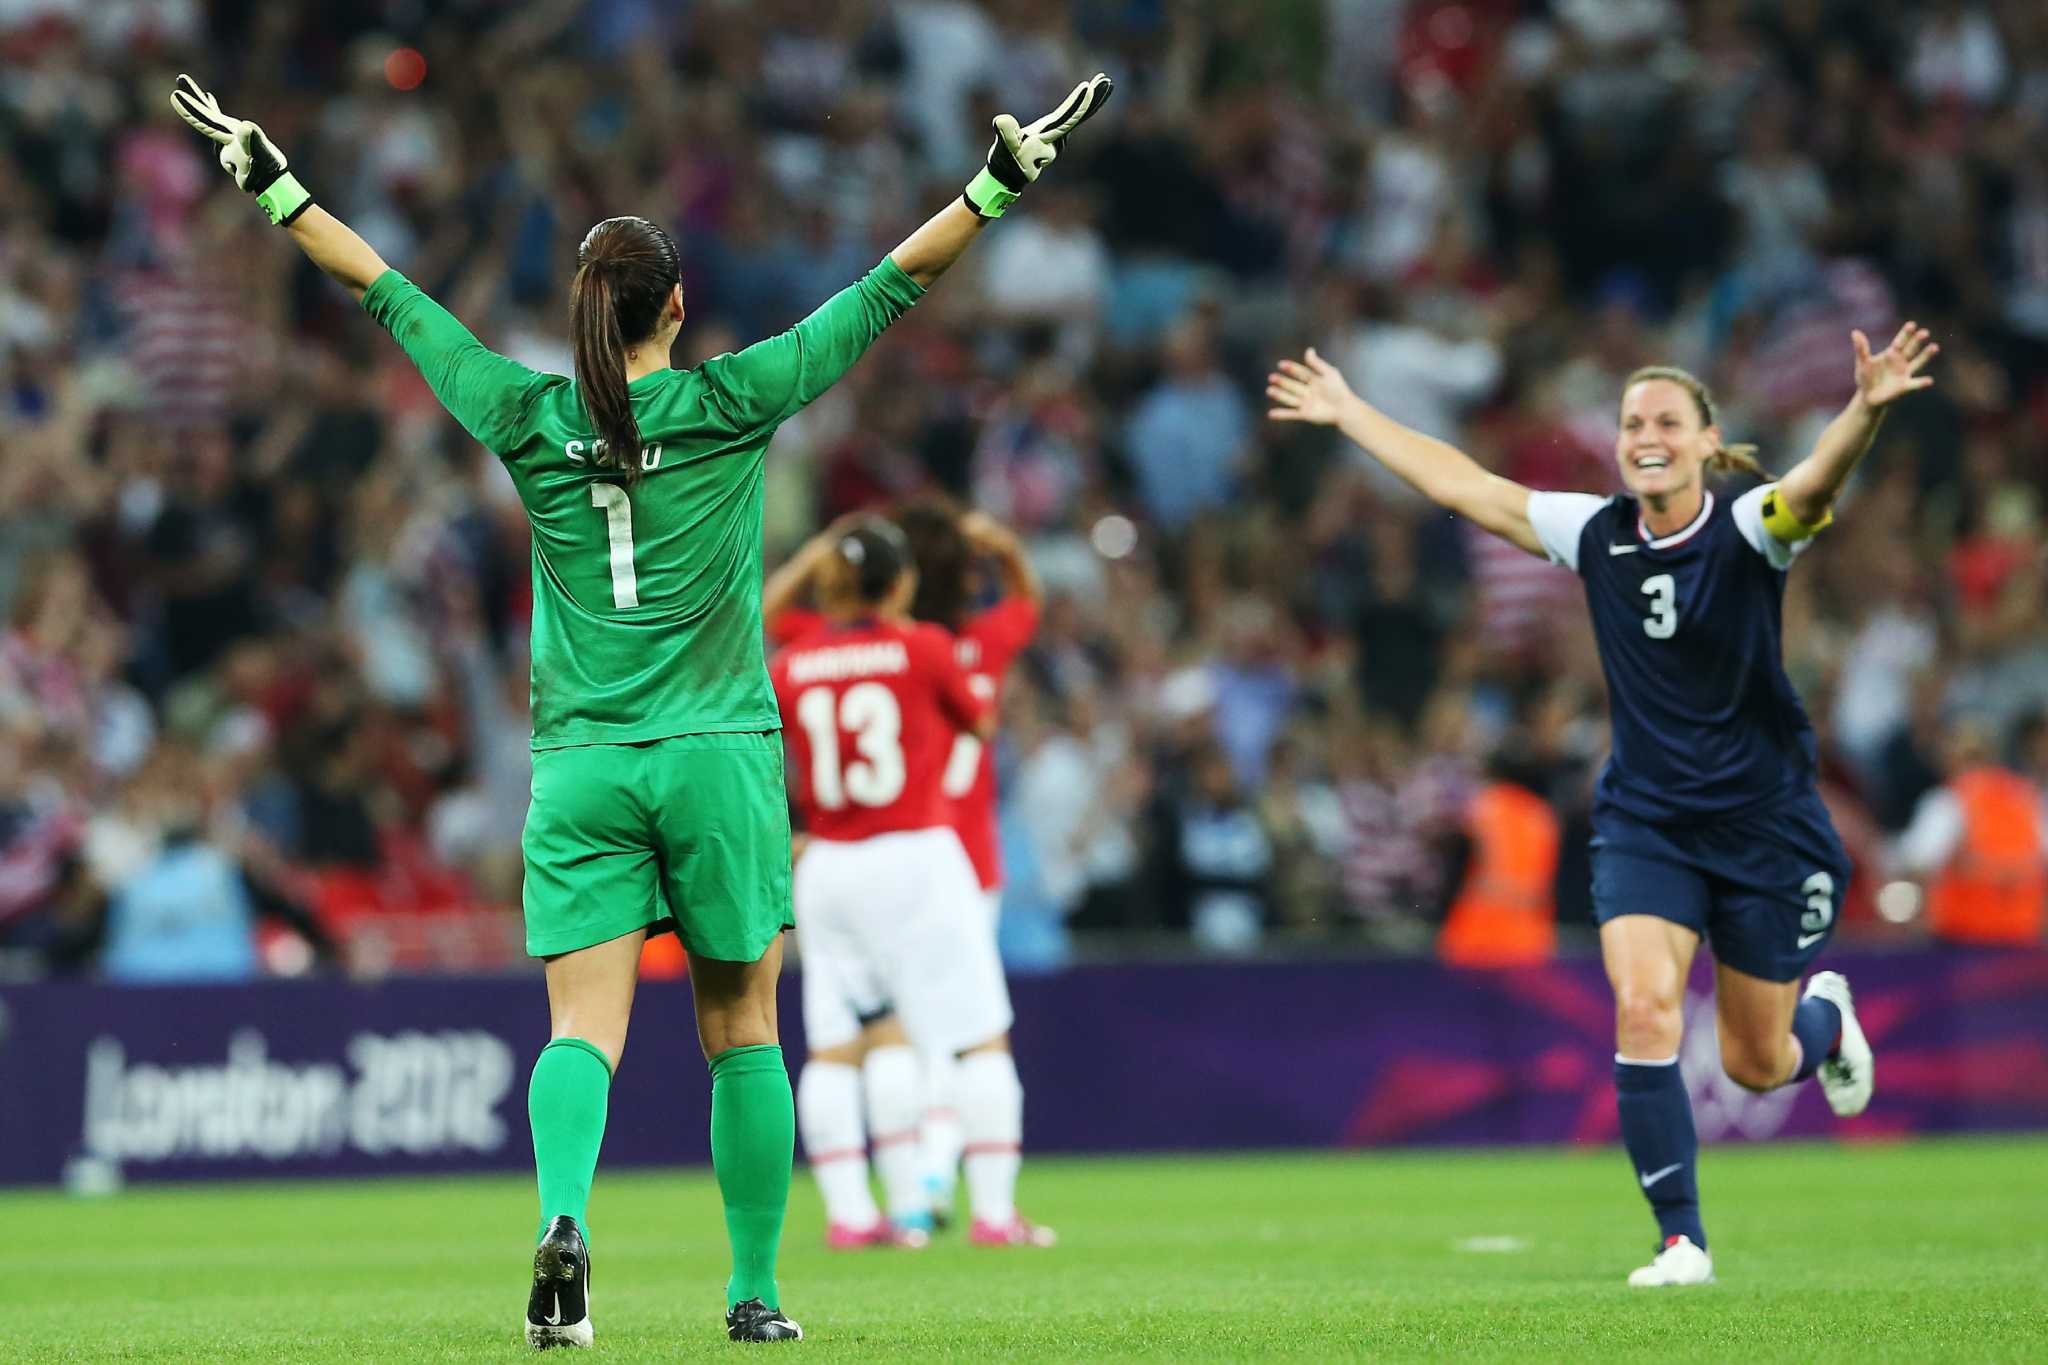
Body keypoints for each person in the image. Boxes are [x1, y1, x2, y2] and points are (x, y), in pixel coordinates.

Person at [171, 67, 1111, 1347]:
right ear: (677, 305)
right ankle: (754, 1294)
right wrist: (998, 183)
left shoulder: (524, 413)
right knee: (742, 1036)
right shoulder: (732, 402)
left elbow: (382, 293)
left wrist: (272, 184)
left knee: (582, 1032)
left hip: (584, 765)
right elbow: (891, 287)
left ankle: (566, 1221)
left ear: (582, 315)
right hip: (717, 756)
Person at [1268, 321, 1939, 1285]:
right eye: (1631, 423)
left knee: (1757, 1061)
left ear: (1710, 441)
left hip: (1760, 826)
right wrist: (1350, 413)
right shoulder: (1596, 532)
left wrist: (1862, 413)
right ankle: (1681, 1241)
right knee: (1644, 1004)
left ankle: (1825, 1024)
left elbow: (1812, 488)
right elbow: (1465, 485)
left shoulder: (1749, 530)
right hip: (1648, 821)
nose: (1646, 435)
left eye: (1667, 419)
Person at [767, 514, 1054, 1248]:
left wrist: (811, 554)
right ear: (900, 584)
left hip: (827, 864)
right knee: (979, 1037)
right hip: (916, 855)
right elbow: (981, 724)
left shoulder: (793, 663)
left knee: (841, 1040)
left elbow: (764, 624)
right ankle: (992, 1212)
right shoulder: (922, 647)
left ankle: (853, 1213)